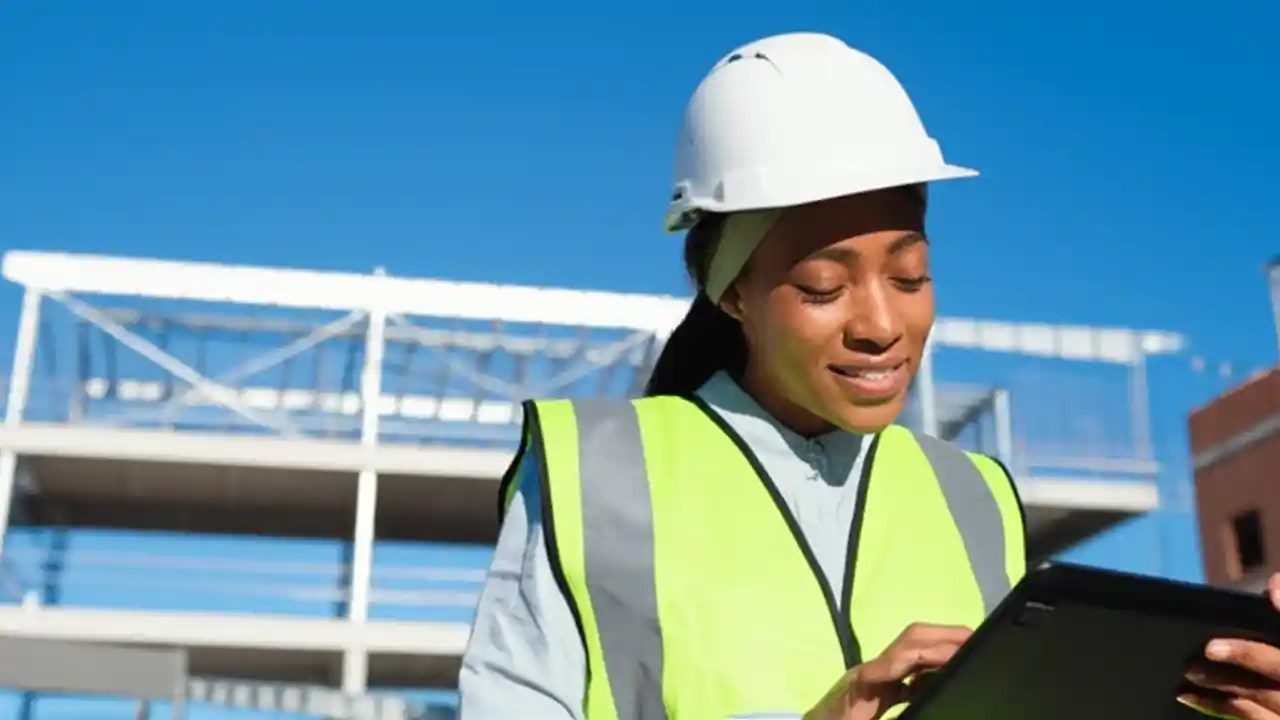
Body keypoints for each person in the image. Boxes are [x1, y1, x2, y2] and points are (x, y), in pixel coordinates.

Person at [457, 31, 1280, 720]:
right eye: (823, 286)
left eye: (911, 277)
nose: (883, 326)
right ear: (732, 291)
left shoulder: (975, 497)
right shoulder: (588, 475)